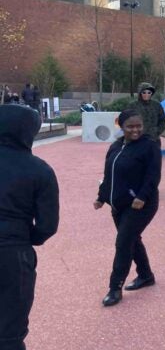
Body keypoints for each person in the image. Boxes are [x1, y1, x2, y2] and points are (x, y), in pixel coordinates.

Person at [0, 105, 60, 350]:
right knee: (9, 332)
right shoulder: (39, 169)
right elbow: (48, 225)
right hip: (12, 253)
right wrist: (26, 237)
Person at [94, 108, 162, 307]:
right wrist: (101, 197)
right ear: (121, 126)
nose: (135, 130)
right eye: (130, 126)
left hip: (141, 204)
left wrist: (142, 197)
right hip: (119, 204)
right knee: (132, 239)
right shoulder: (115, 146)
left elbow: (153, 176)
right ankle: (146, 275)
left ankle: (115, 288)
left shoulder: (150, 146)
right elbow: (109, 174)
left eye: (138, 126)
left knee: (123, 242)